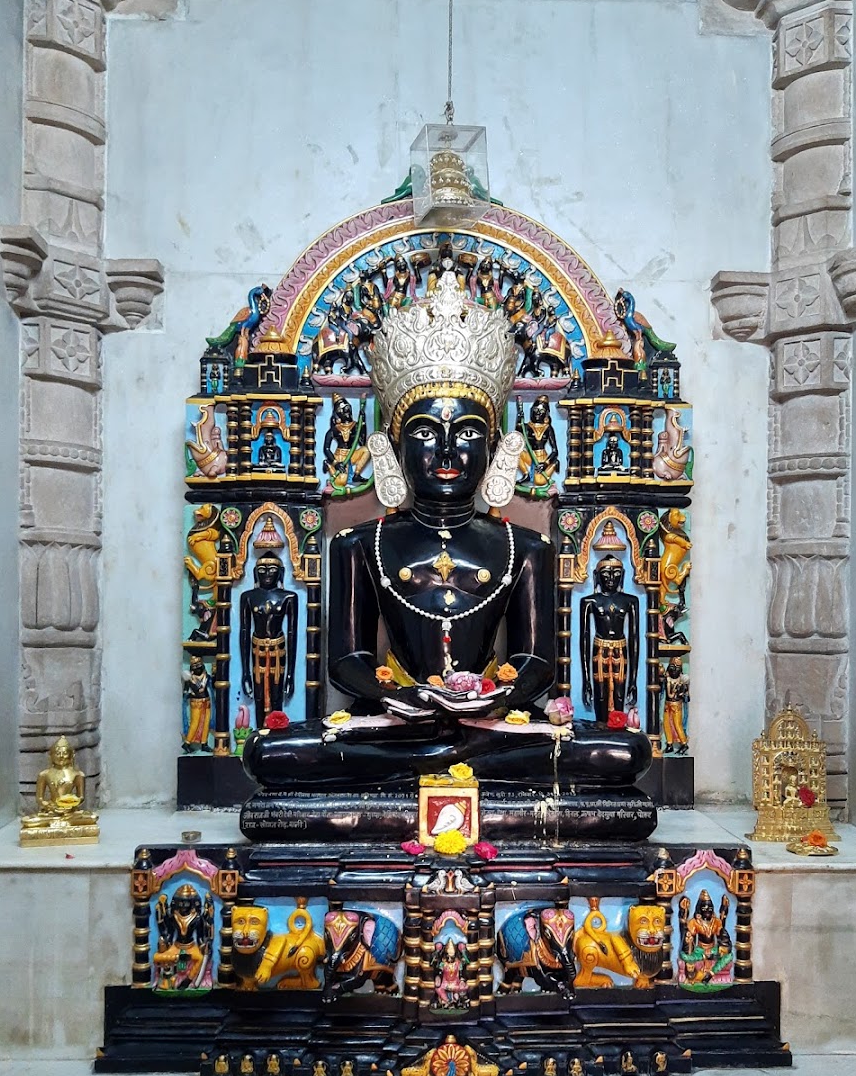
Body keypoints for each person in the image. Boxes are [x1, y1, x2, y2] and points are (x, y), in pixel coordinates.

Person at [242, 273, 651, 793]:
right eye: (425, 433)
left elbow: (536, 663)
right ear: (392, 448)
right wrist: (399, 698)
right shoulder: (357, 545)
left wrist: (494, 699)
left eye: (468, 433)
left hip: (495, 721)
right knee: (271, 752)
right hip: (396, 723)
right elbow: (348, 660)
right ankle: (449, 754)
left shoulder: (526, 548)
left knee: (624, 752)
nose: (446, 453)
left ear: (496, 447)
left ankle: (444, 754)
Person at [579, 557, 641, 722]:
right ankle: (601, 728)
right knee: (599, 693)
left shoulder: (630, 601)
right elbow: (583, 639)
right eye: (606, 573)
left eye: (617, 573)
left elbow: (635, 639)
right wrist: (586, 681)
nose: (611, 578)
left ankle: (617, 728)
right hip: (599, 650)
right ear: (597, 575)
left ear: (623, 575)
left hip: (621, 650)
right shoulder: (589, 601)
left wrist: (633, 681)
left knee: (620, 693)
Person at [239, 554, 298, 722]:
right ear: (255, 573)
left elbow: (292, 634)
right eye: (262, 570)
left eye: (272, 570)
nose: (267, 574)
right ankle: (259, 734)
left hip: (278, 651)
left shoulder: (289, 597)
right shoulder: (248, 597)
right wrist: (245, 673)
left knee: (277, 693)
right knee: (258, 694)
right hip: (257, 652)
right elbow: (244, 631)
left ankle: (275, 734)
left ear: (280, 573)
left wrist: (290, 676)